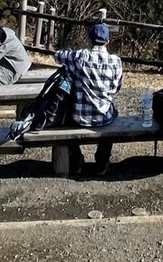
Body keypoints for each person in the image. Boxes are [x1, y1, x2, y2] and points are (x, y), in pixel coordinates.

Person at [53, 22, 124, 176]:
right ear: (107, 41)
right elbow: (117, 88)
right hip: (104, 116)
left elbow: (57, 55)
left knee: (66, 119)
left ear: (90, 40)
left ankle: (77, 160)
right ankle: (102, 163)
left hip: (80, 117)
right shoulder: (116, 61)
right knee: (112, 116)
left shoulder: (81, 56)